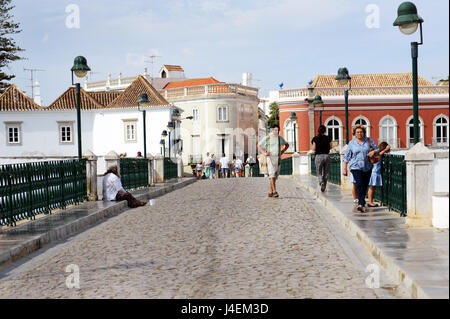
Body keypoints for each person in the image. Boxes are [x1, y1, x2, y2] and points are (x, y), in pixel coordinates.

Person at [343, 125, 379, 213]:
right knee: (359, 184)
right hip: (355, 167)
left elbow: (377, 149)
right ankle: (361, 203)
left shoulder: (369, 141)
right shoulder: (352, 143)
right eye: (358, 132)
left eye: (361, 132)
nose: (359, 134)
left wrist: (373, 152)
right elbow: (346, 156)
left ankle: (361, 202)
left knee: (364, 185)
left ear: (364, 133)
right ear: (355, 134)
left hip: (367, 166)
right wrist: (345, 168)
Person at [257, 124, 289, 198]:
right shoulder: (267, 137)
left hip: (278, 158)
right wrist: (264, 153)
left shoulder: (280, 138)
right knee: (271, 174)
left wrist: (282, 151)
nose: (276, 131)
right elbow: (258, 145)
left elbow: (287, 145)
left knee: (275, 176)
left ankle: (270, 191)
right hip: (270, 158)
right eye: (274, 130)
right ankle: (274, 191)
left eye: (277, 130)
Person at [367, 142, 391, 207]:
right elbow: (379, 154)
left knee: (372, 187)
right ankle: (370, 202)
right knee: (372, 187)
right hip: (374, 172)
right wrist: (385, 149)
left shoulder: (378, 152)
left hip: (375, 172)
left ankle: (370, 201)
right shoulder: (377, 153)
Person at [311, 125, 332, 192]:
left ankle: (321, 182)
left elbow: (314, 149)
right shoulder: (328, 138)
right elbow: (331, 147)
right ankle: (324, 185)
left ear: (318, 130)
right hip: (327, 156)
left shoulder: (315, 138)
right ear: (325, 131)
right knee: (326, 172)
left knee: (319, 171)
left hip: (318, 156)